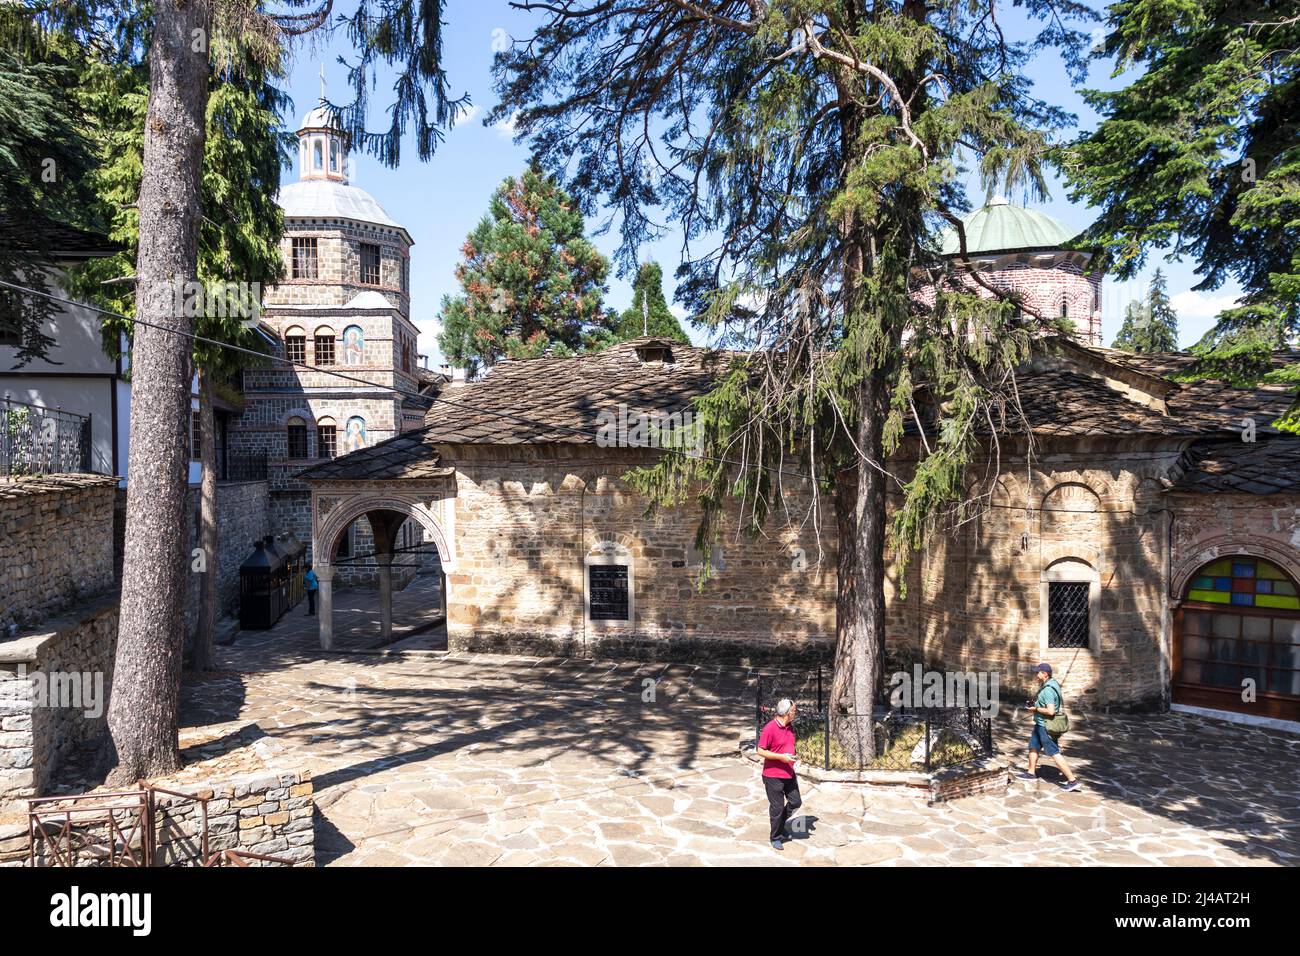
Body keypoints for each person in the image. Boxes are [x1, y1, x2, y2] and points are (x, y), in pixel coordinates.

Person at [1017, 663, 1080, 791]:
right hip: (1040, 724)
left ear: (1045, 674)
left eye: (1038, 672)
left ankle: (1072, 781)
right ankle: (1031, 773)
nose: (1036, 674)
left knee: (1054, 752)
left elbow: (1051, 711)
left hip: (1045, 726)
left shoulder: (1048, 690)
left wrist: (1035, 708)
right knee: (1033, 747)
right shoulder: (1052, 683)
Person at [756, 698, 802, 850]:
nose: (795, 713)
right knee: (777, 808)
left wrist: (795, 756)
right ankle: (775, 836)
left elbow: (788, 746)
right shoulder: (770, 728)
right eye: (794, 711)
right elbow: (760, 750)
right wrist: (781, 757)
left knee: (796, 802)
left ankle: (780, 824)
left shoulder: (789, 726)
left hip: (788, 773)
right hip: (773, 775)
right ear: (788, 713)